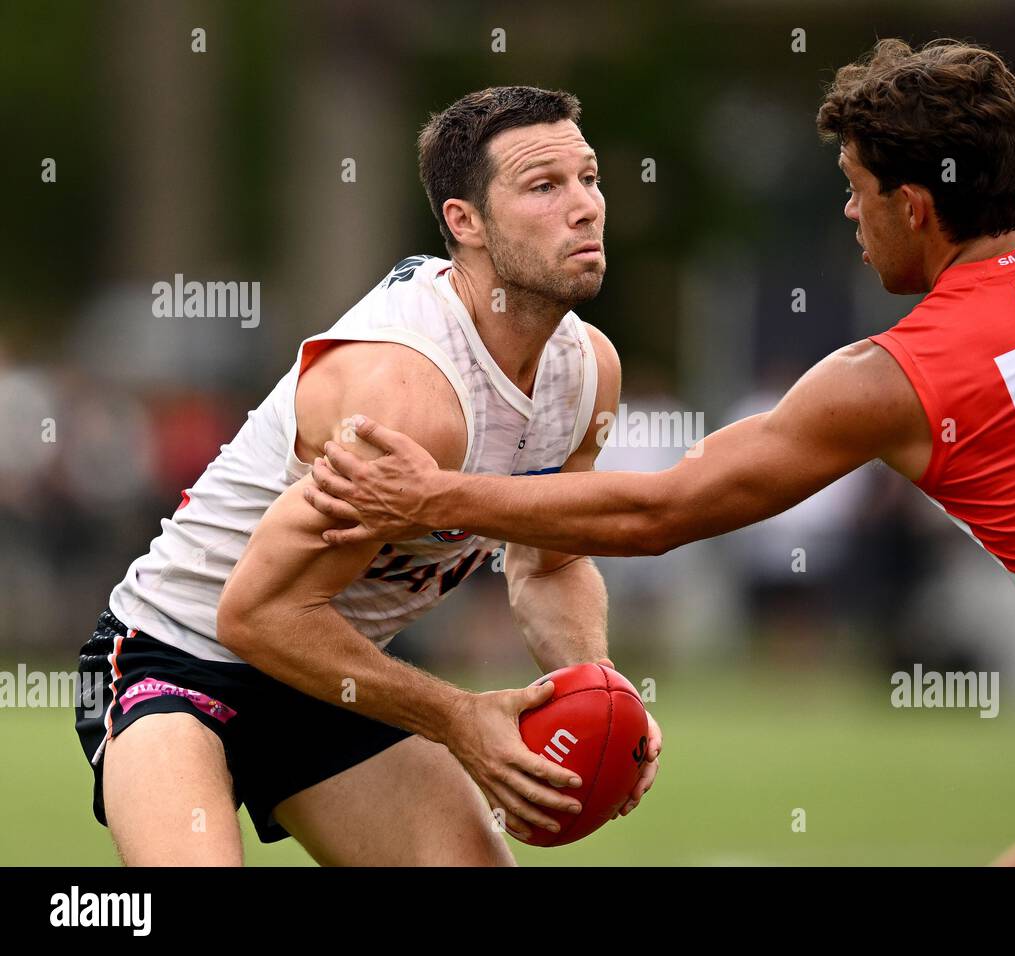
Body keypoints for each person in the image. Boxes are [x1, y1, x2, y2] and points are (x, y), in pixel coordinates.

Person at [305, 41, 1015, 866]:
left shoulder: (889, 374)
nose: (847, 214)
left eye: (855, 189)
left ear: (914, 205)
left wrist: (432, 493)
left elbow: (658, 512)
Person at [73, 85, 660, 866]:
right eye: (544, 187)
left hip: (331, 671)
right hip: (175, 655)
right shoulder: (409, 396)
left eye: (588, 178)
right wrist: (457, 716)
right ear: (464, 222)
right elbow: (255, 618)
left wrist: (598, 688)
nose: (584, 207)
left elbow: (549, 559)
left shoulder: (588, 373)